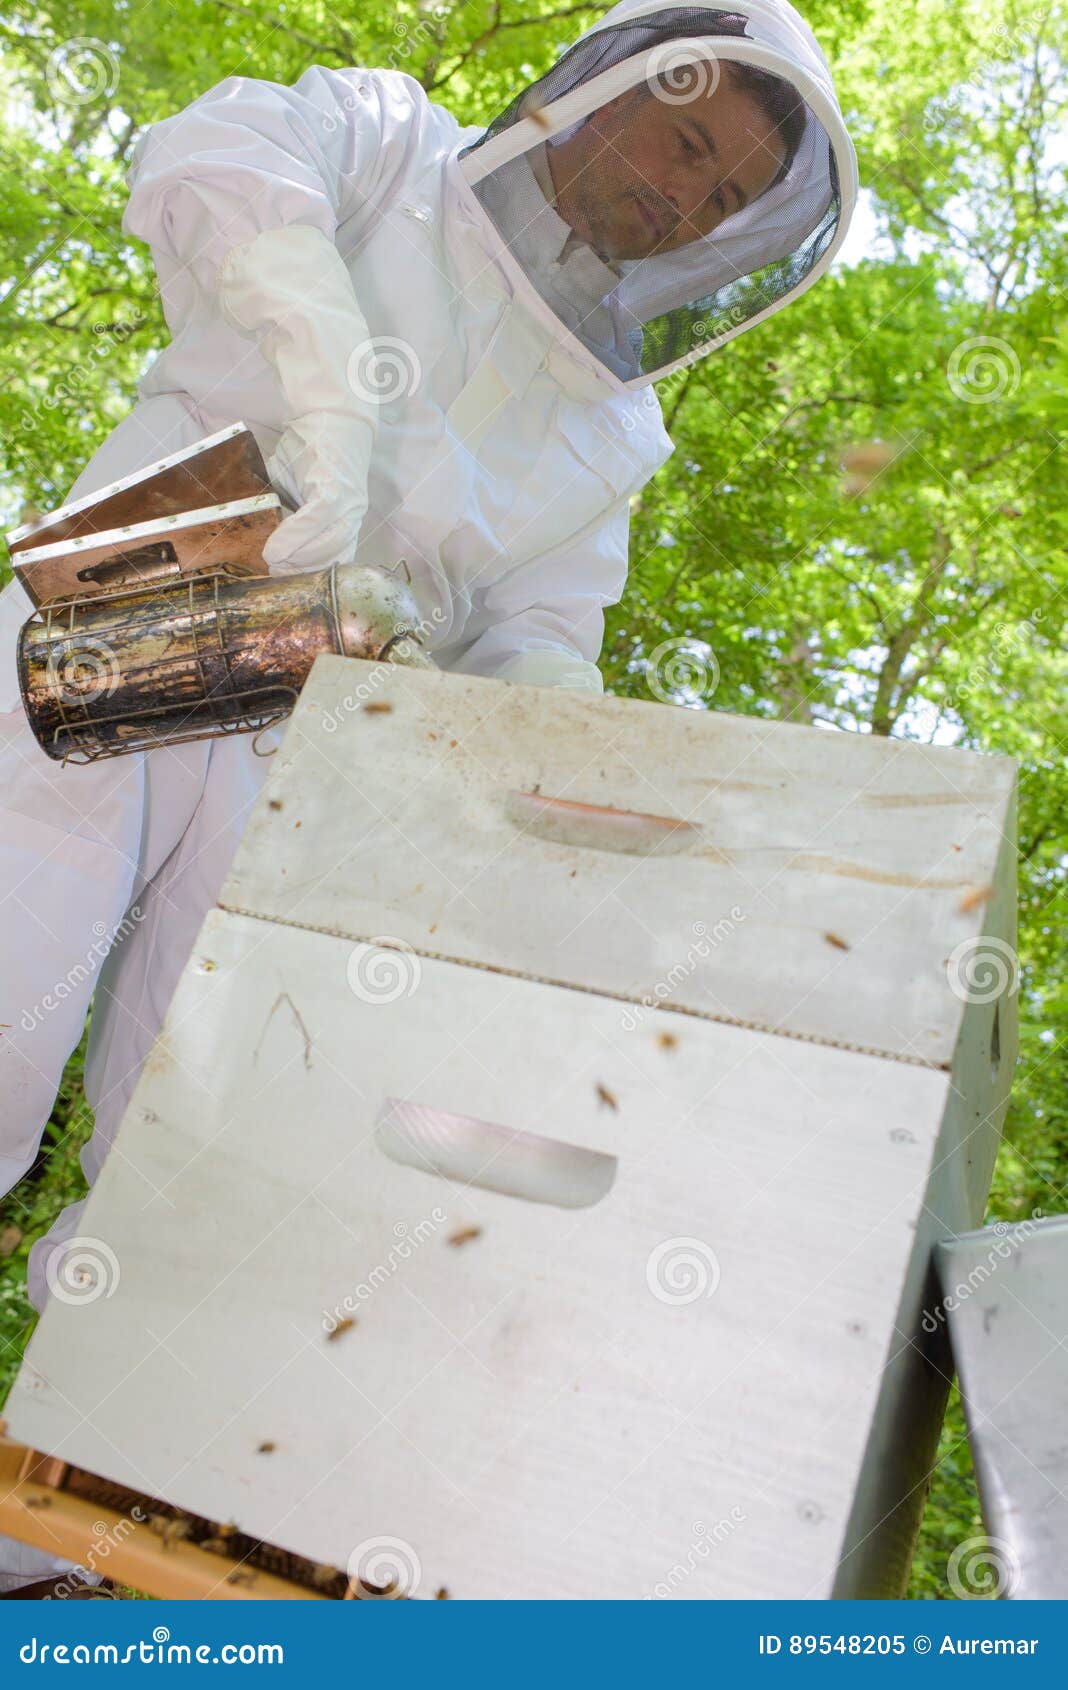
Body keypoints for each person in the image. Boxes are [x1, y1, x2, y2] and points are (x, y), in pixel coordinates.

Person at [0, 0, 856, 1592]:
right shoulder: (391, 140)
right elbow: (215, 152)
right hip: (152, 583)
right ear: (596, 94)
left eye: (725, 195)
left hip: (328, 756)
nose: (689, 198)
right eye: (684, 142)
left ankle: (51, 1556)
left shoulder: (618, 423)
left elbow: (541, 641)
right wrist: (322, 373)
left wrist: (606, 779)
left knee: (208, 1153)